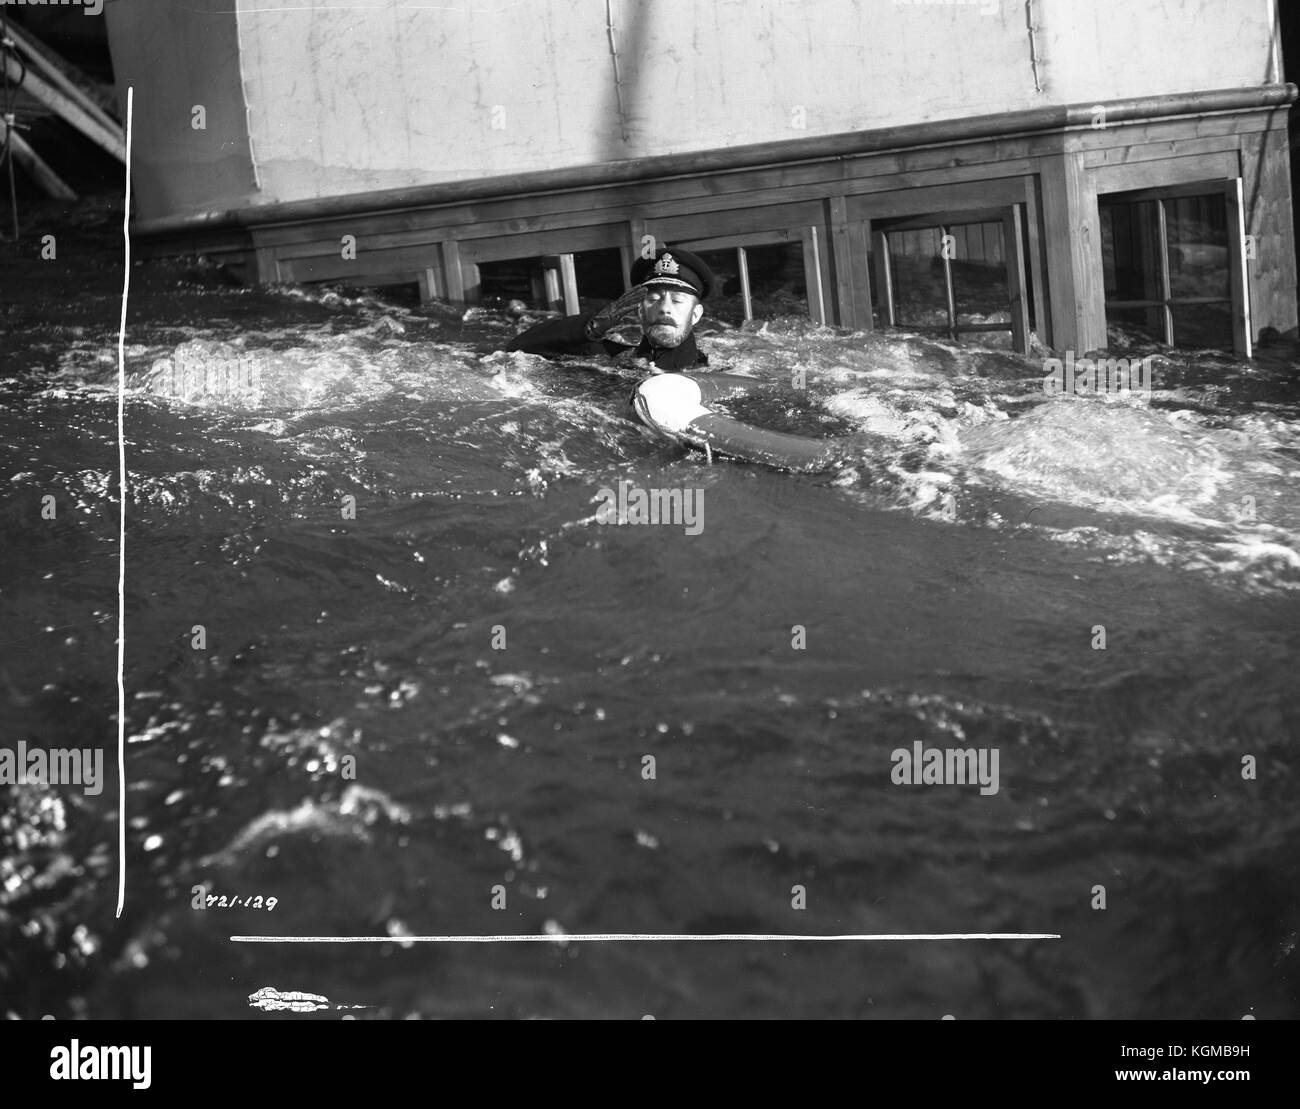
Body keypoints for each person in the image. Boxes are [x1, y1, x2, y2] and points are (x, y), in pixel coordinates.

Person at [503, 246, 717, 372]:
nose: (664, 309)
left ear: (696, 314)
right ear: (640, 311)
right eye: (653, 299)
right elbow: (517, 348)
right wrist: (593, 326)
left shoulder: (714, 373)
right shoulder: (610, 360)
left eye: (677, 301)